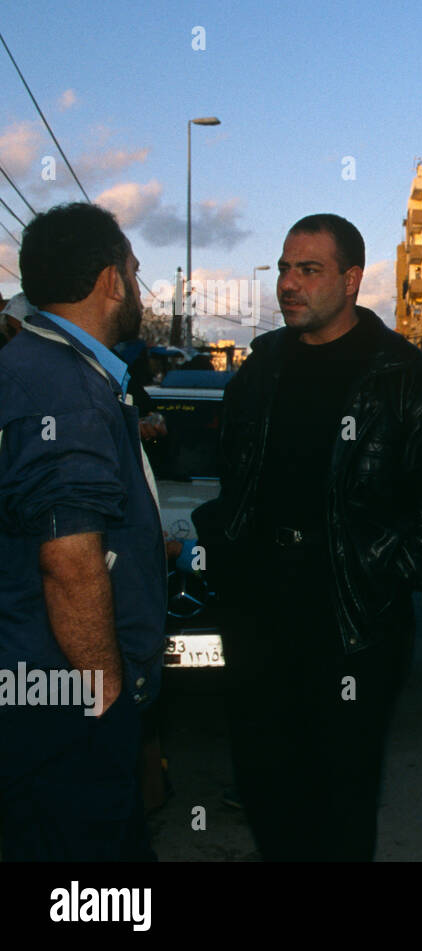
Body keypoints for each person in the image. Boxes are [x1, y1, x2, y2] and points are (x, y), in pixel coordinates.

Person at [191, 213, 422, 861]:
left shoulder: (407, 377)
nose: (288, 284)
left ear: (351, 280)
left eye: (308, 270)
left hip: (351, 626)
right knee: (265, 787)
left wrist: (378, 574)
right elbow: (234, 482)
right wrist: (227, 558)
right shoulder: (259, 371)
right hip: (258, 616)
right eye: (285, 268)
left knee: (340, 800)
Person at [0, 202, 163, 860]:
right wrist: (109, 704)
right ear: (110, 283)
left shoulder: (40, 366)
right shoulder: (64, 386)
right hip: (65, 714)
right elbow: (68, 561)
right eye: (132, 266)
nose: (137, 277)